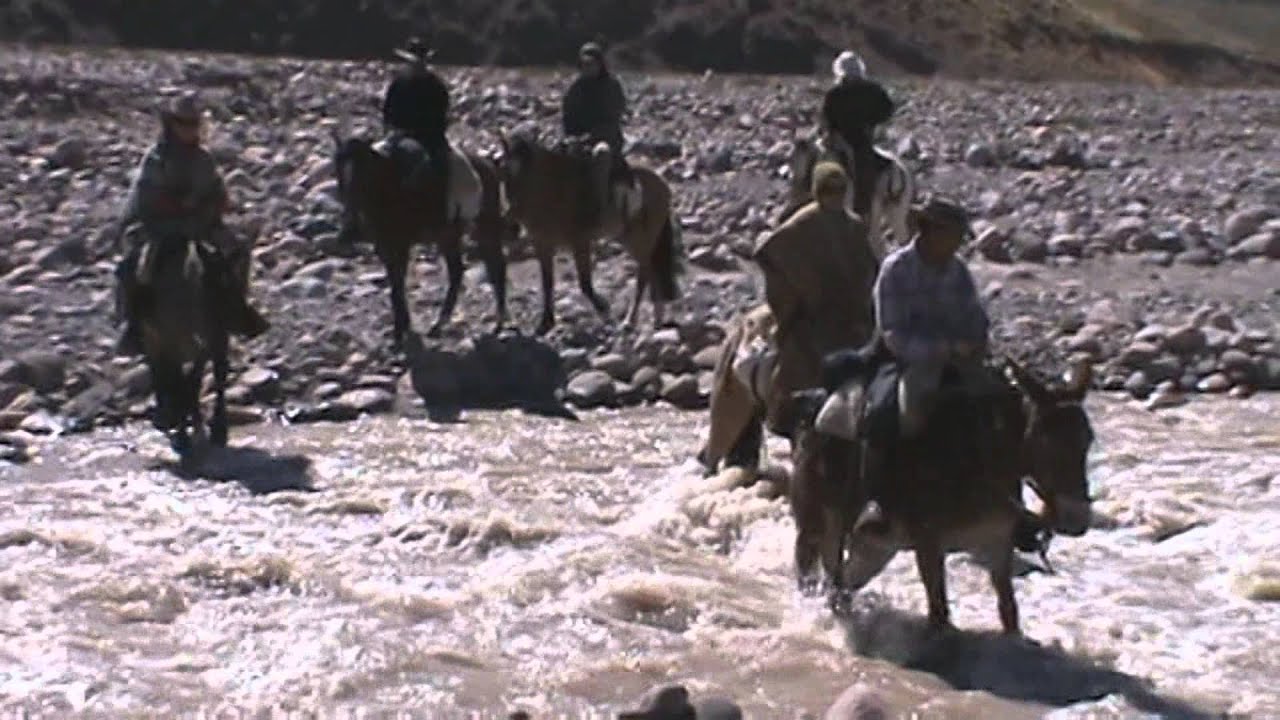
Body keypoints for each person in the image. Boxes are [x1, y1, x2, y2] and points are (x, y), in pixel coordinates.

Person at [114, 92, 268, 356]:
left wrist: (216, 203)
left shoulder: (203, 159)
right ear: (171, 124)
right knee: (131, 266)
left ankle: (238, 308)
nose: (189, 130)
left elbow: (218, 190)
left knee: (238, 252)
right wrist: (179, 205)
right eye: (183, 124)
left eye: (194, 124)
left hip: (201, 225)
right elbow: (146, 197)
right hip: (159, 227)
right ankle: (132, 323)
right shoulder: (156, 158)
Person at [751, 161, 880, 439]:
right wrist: (795, 299)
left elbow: (869, 267)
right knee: (796, 368)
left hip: (851, 317)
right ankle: (782, 419)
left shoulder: (854, 225)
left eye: (839, 190)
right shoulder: (801, 223)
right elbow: (770, 253)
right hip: (810, 318)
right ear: (818, 191)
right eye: (829, 190)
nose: (835, 196)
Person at [820, 50, 894, 220]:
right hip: (859, 138)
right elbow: (887, 109)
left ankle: (861, 209)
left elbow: (826, 117)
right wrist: (873, 123)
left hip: (848, 140)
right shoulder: (873, 90)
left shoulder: (835, 93)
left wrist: (829, 133)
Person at [381, 36, 451, 217]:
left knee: (444, 169)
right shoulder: (398, 84)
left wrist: (419, 131)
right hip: (398, 137)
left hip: (430, 139)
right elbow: (387, 112)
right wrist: (392, 130)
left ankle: (445, 213)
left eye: (420, 61)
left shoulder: (436, 86)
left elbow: (440, 117)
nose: (416, 65)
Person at [560, 41, 629, 225]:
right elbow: (567, 116)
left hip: (606, 138)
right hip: (577, 138)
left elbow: (614, 117)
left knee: (601, 155)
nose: (588, 68)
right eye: (584, 65)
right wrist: (570, 136)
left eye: (591, 64)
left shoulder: (611, 86)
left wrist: (592, 135)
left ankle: (600, 209)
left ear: (600, 64)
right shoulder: (575, 89)